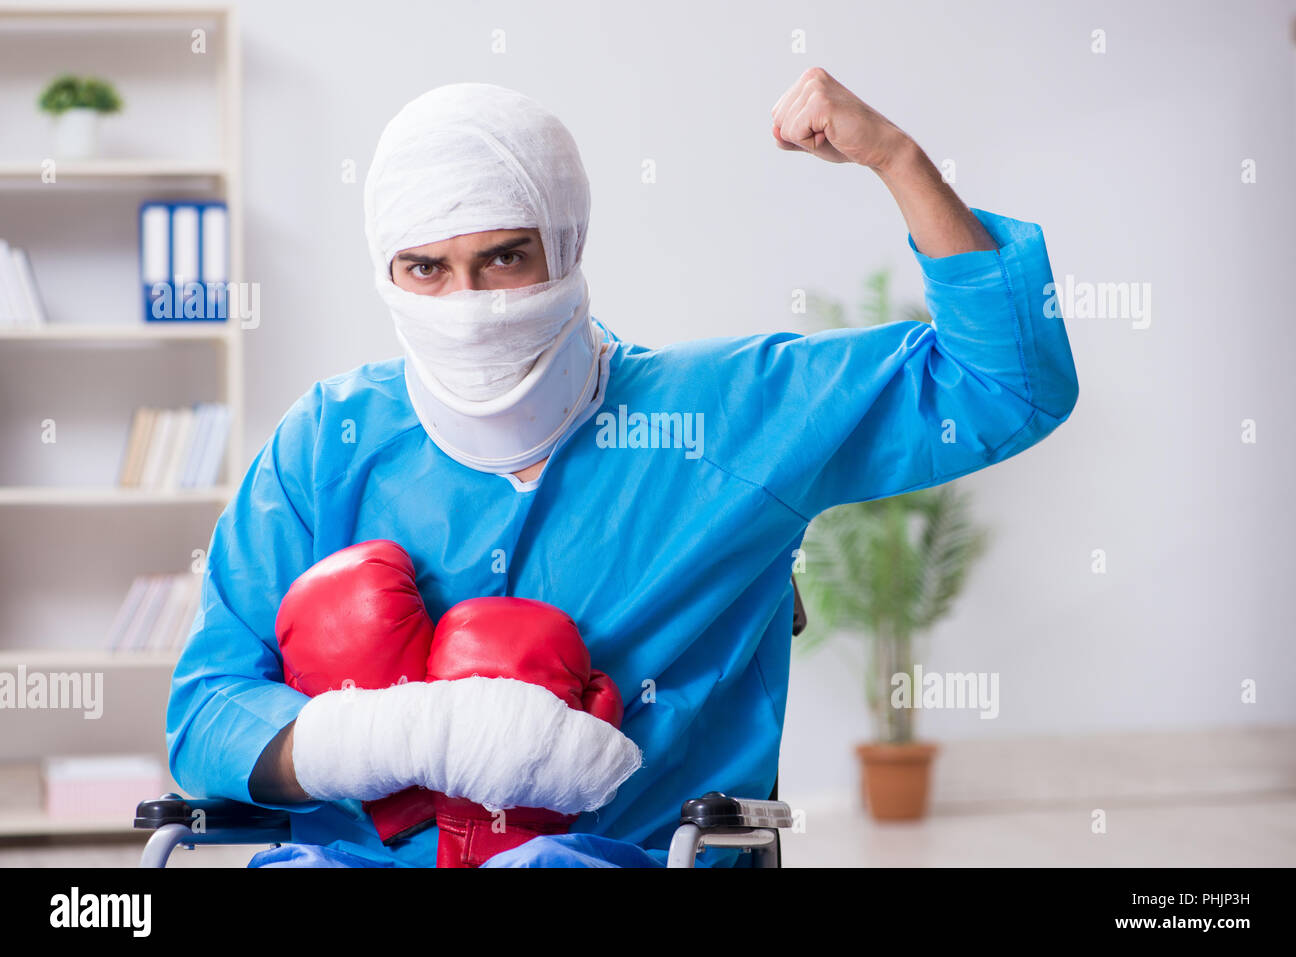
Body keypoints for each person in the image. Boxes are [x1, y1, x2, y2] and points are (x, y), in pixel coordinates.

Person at [166, 68, 1079, 868]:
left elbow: (1005, 386)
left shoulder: (726, 418)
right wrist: (405, 735)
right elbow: (207, 711)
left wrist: (897, 158)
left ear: (564, 246)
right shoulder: (324, 443)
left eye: (504, 257)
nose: (470, 304)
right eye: (426, 269)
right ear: (386, 272)